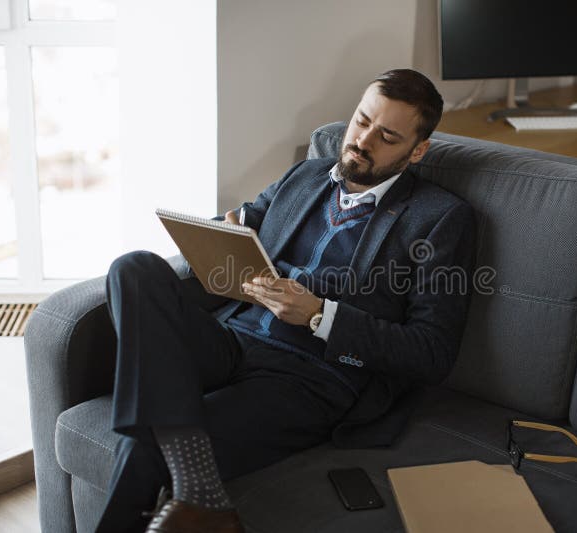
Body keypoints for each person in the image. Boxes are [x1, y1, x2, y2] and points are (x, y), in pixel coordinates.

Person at [97, 69, 477, 533]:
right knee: (133, 268)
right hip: (233, 338)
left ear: (417, 151)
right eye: (361, 121)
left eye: (387, 136)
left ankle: (199, 490)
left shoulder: (441, 219)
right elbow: (243, 225)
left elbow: (432, 353)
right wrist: (227, 234)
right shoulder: (307, 174)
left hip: (310, 378)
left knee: (146, 442)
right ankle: (202, 488)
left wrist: (319, 315)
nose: (362, 141)